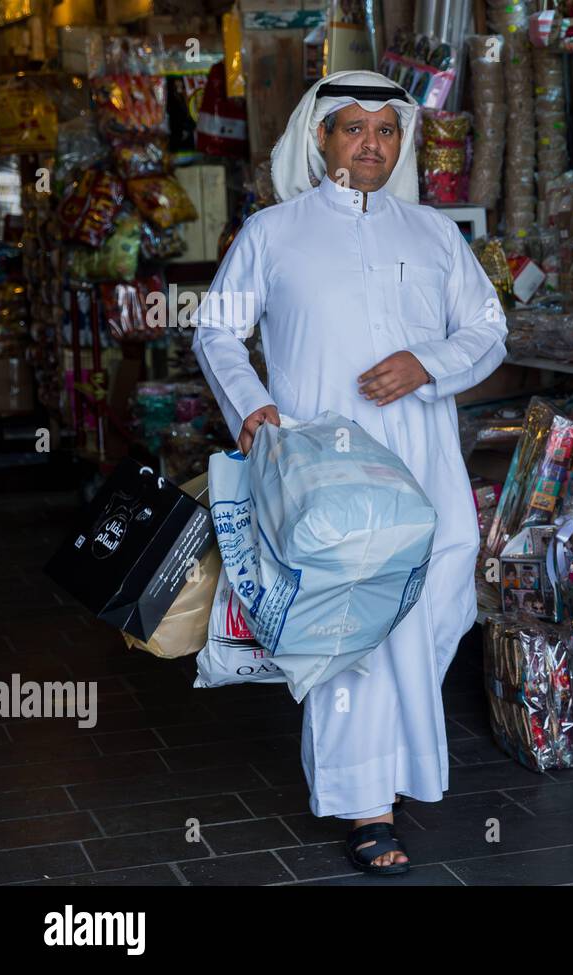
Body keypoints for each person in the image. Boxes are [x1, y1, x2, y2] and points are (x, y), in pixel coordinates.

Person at [192, 69, 507, 875]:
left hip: (425, 455)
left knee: (436, 598)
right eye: (353, 127)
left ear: (401, 143)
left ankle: (385, 762)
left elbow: (487, 330)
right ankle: (366, 803)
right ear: (321, 138)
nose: (371, 143)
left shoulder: (434, 234)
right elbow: (218, 333)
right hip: (327, 471)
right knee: (352, 626)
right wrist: (253, 407)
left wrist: (425, 363)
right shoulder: (274, 231)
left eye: (386, 129)